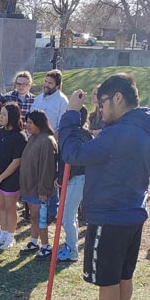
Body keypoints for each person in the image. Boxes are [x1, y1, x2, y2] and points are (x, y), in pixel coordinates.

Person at [58, 74, 150, 300]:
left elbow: (73, 153)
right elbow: (105, 138)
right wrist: (96, 107)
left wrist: (70, 115)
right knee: (122, 276)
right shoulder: (144, 127)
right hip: (132, 211)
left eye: (103, 102)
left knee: (108, 280)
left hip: (110, 214)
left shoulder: (120, 134)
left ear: (118, 98)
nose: (100, 110)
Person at [55, 101, 94, 263]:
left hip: (76, 179)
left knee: (66, 216)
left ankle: (72, 251)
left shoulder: (76, 135)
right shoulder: (83, 134)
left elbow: (73, 161)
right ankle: (70, 245)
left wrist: (61, 178)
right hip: (76, 178)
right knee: (70, 215)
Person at [18, 110, 58, 260]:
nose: (27, 126)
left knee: (40, 218)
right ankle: (34, 242)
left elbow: (47, 168)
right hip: (29, 187)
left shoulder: (47, 141)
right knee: (33, 217)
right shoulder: (33, 138)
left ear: (38, 124)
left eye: (30, 123)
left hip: (39, 190)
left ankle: (46, 245)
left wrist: (43, 190)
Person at [0, 102, 27, 250]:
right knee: (2, 207)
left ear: (12, 116)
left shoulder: (19, 136)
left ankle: (10, 237)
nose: (1, 117)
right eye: (1, 114)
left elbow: (16, 161)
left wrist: (1, 177)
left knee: (10, 208)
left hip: (10, 179)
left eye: (4, 114)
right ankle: (2, 234)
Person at [31, 69, 67, 222]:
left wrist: (50, 142)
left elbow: (61, 126)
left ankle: (52, 209)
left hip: (51, 144)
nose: (46, 85)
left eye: (50, 83)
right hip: (35, 142)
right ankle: (35, 206)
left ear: (58, 86)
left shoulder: (62, 101)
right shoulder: (38, 99)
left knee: (50, 177)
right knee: (36, 175)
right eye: (45, 82)